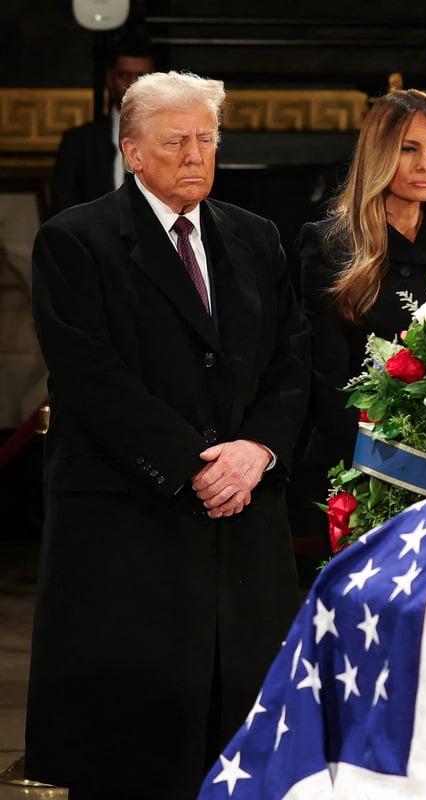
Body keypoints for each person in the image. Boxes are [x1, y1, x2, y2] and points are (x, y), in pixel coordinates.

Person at [25, 70, 311, 799]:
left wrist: (255, 452)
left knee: (244, 743)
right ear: (134, 152)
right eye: (176, 141)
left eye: (206, 139)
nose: (194, 155)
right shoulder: (75, 241)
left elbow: (291, 361)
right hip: (133, 530)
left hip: (244, 525)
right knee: (136, 755)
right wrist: (195, 464)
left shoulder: (257, 238)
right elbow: (91, 377)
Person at [293, 88, 426, 545]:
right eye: (409, 149)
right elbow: (327, 378)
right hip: (358, 469)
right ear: (380, 155)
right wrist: (386, 470)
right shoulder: (330, 243)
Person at [50, 37, 155, 217]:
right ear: (110, 78)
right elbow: (64, 208)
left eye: (142, 77)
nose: (133, 85)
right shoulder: (79, 141)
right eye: (124, 75)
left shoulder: (172, 139)